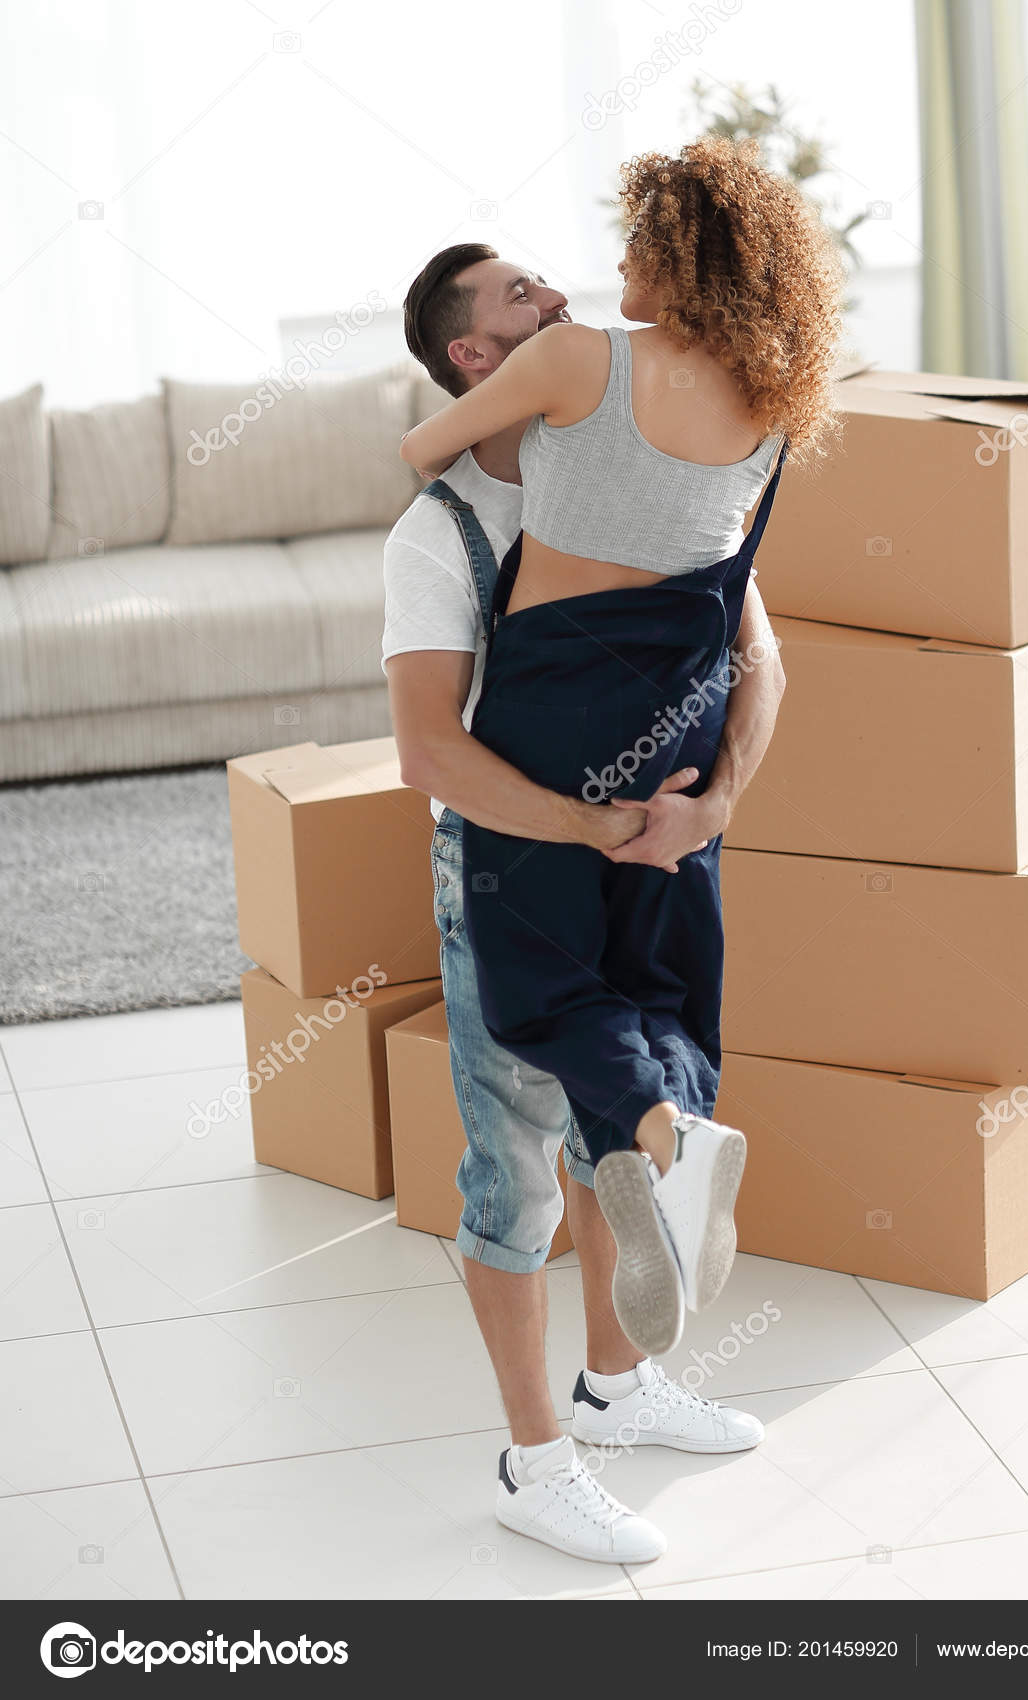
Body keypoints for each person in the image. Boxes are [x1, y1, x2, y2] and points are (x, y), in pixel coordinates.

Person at [400, 140, 842, 1373]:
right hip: (689, 720)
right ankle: (667, 1129)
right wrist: (717, 797)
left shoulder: (574, 358)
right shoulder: (777, 402)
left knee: (545, 981)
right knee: (667, 978)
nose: (613, 265)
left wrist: (499, 453)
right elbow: (740, 603)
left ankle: (653, 1128)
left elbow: (422, 449)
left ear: (684, 254)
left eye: (639, 242)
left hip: (556, 708)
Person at [386, 239, 790, 1565]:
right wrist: (586, 824)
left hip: (641, 850)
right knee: (508, 1173)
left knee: (611, 1139)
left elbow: (757, 649)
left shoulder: (636, 468)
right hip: (511, 863)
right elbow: (429, 755)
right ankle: (532, 1461)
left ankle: (618, 1387)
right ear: (475, 361)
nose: (558, 298)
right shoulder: (438, 533)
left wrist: (713, 803)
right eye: (520, 297)